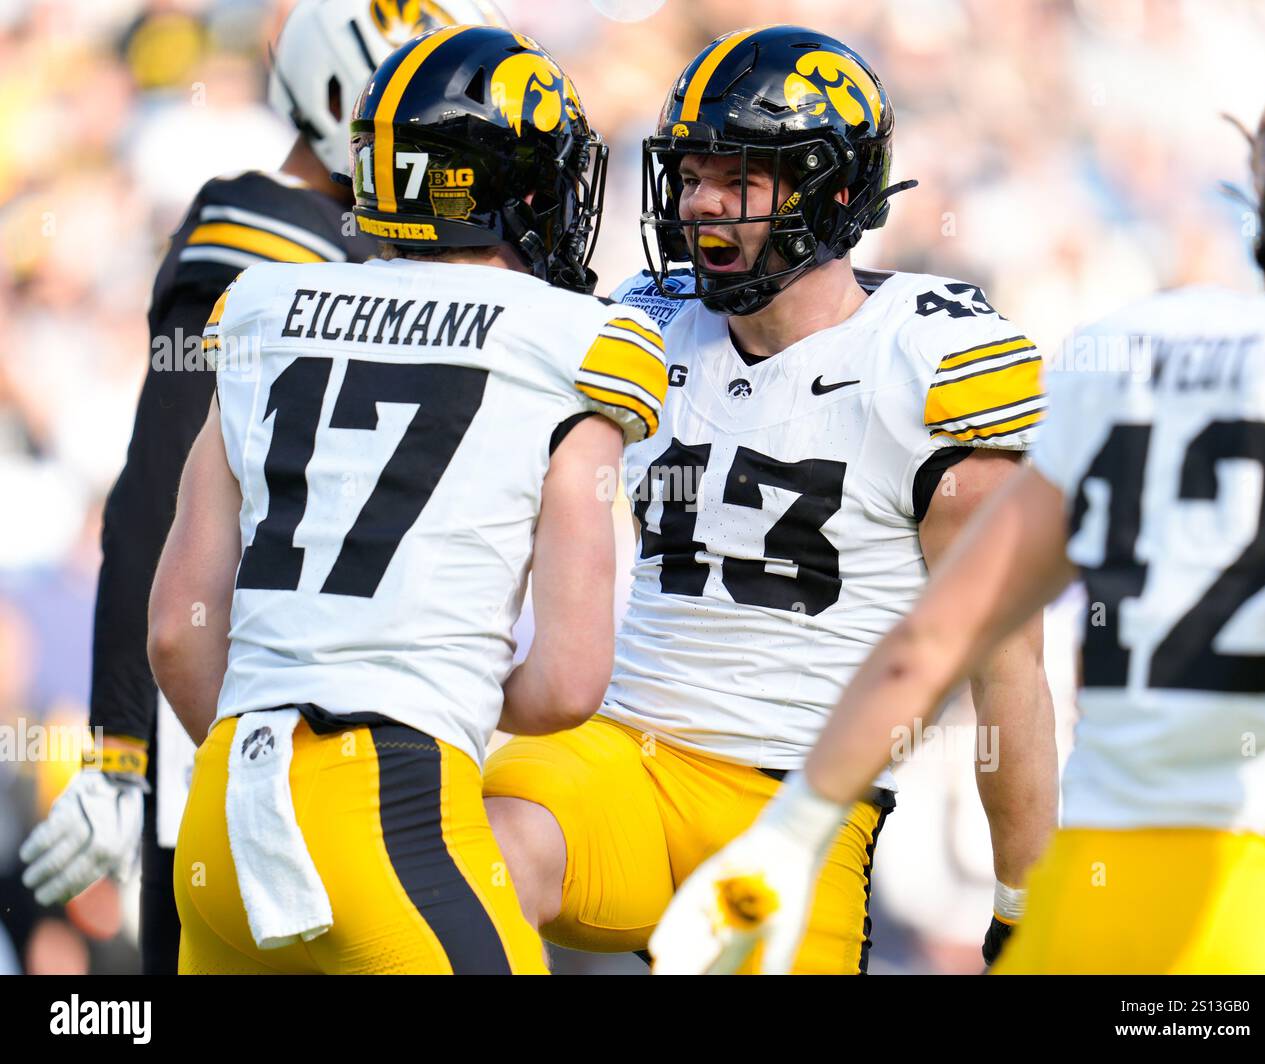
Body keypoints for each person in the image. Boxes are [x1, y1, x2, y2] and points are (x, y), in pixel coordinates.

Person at [652, 56, 1265, 976]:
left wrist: (788, 835)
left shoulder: (1127, 350)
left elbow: (939, 638)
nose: (704, 204)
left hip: (1095, 896)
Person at [484, 24, 1059, 975]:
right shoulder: (646, 319)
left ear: (834, 192)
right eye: (692, 174)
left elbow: (1009, 671)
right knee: (481, 862)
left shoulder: (928, 364)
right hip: (613, 757)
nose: (702, 205)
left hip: (793, 807)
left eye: (740, 180)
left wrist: (1021, 902)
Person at [145, 23, 666, 975]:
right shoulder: (577, 342)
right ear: (514, 190)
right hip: (391, 799)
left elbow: (177, 633)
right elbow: (568, 681)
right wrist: (432, 693)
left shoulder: (264, 310)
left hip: (223, 806)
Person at [18, 0, 505, 975]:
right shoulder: (258, 243)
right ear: (342, 100)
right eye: (428, 117)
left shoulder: (385, 246)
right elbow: (155, 494)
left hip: (347, 733)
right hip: (233, 729)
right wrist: (121, 747)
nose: (454, 152)